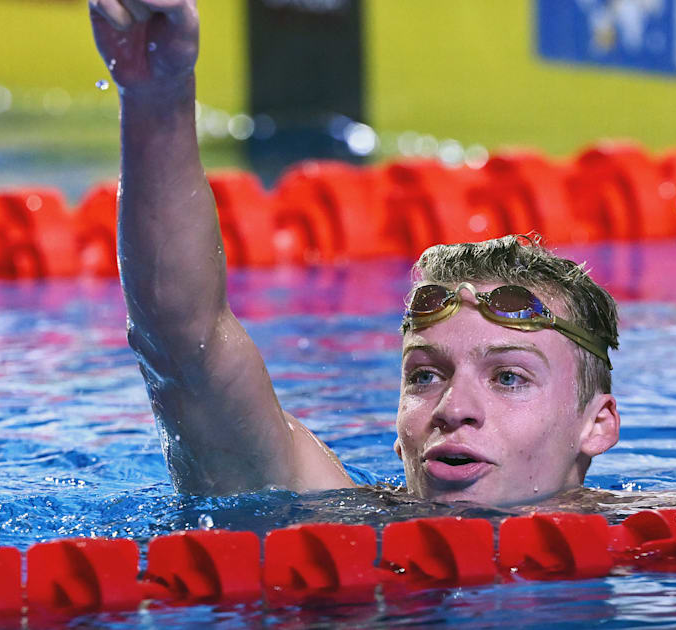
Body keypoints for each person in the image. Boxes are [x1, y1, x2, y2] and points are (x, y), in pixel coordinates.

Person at [90, 0, 621, 507]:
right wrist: (156, 95)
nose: (452, 410)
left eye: (509, 378)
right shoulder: (344, 524)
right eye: (424, 377)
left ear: (596, 425)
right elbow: (184, 345)